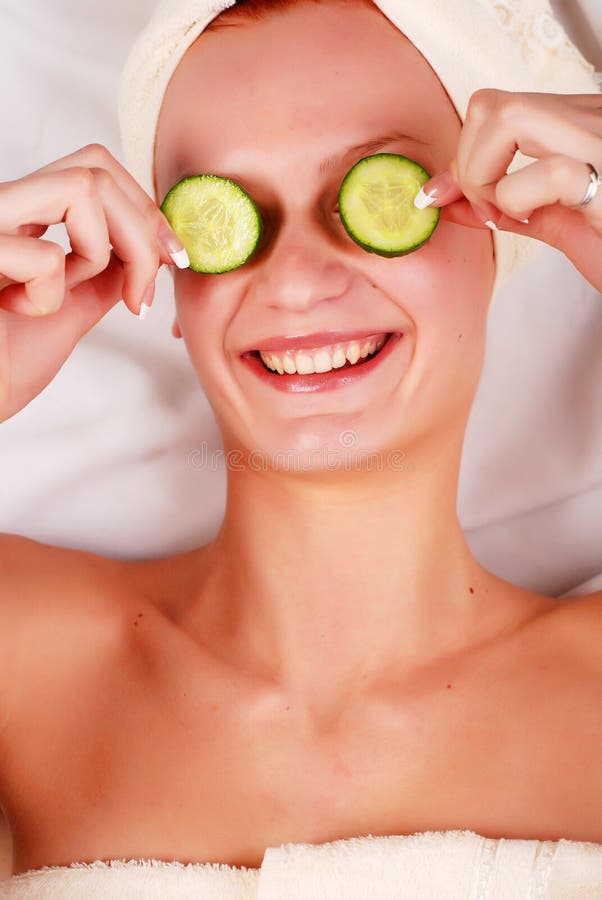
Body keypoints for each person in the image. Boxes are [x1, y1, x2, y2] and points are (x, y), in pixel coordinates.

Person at [0, 0, 600, 892]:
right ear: (163, 271)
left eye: (379, 191)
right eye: (225, 218)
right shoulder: (29, 651)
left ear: (505, 230)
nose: (294, 282)